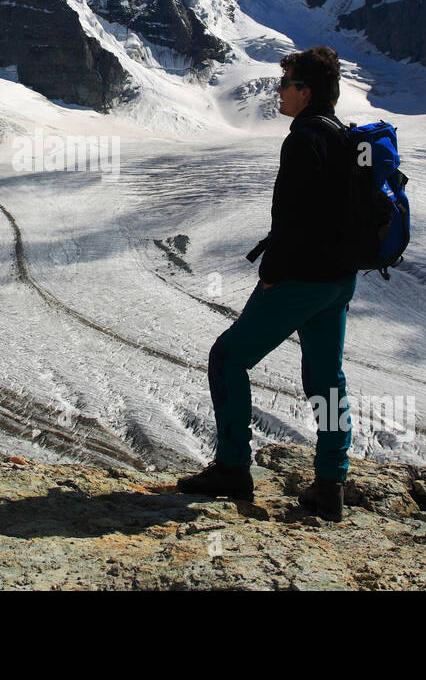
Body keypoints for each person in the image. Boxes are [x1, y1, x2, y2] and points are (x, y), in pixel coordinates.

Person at [176, 45, 357, 521]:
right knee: (326, 378)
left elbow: (294, 216)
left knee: (228, 357)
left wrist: (274, 275)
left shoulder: (303, 139)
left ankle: (233, 467)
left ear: (306, 91)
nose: (279, 92)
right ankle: (330, 483)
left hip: (300, 278)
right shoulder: (345, 136)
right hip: (339, 280)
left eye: (286, 83)